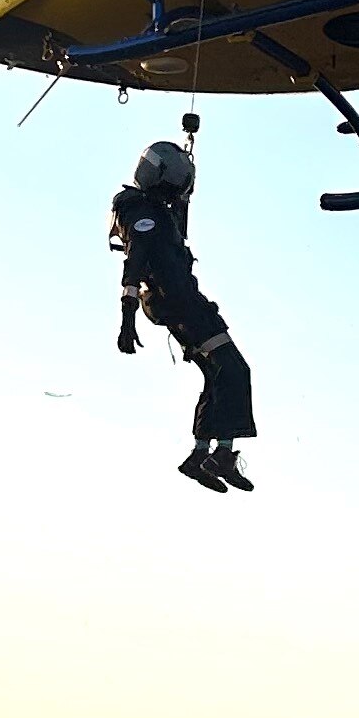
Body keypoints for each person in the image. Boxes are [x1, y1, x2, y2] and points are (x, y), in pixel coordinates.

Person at [111, 128, 256, 494]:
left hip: (177, 302)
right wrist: (127, 319)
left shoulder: (150, 211)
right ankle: (221, 455)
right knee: (234, 369)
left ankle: (201, 455)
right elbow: (134, 264)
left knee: (217, 373)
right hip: (181, 305)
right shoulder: (146, 217)